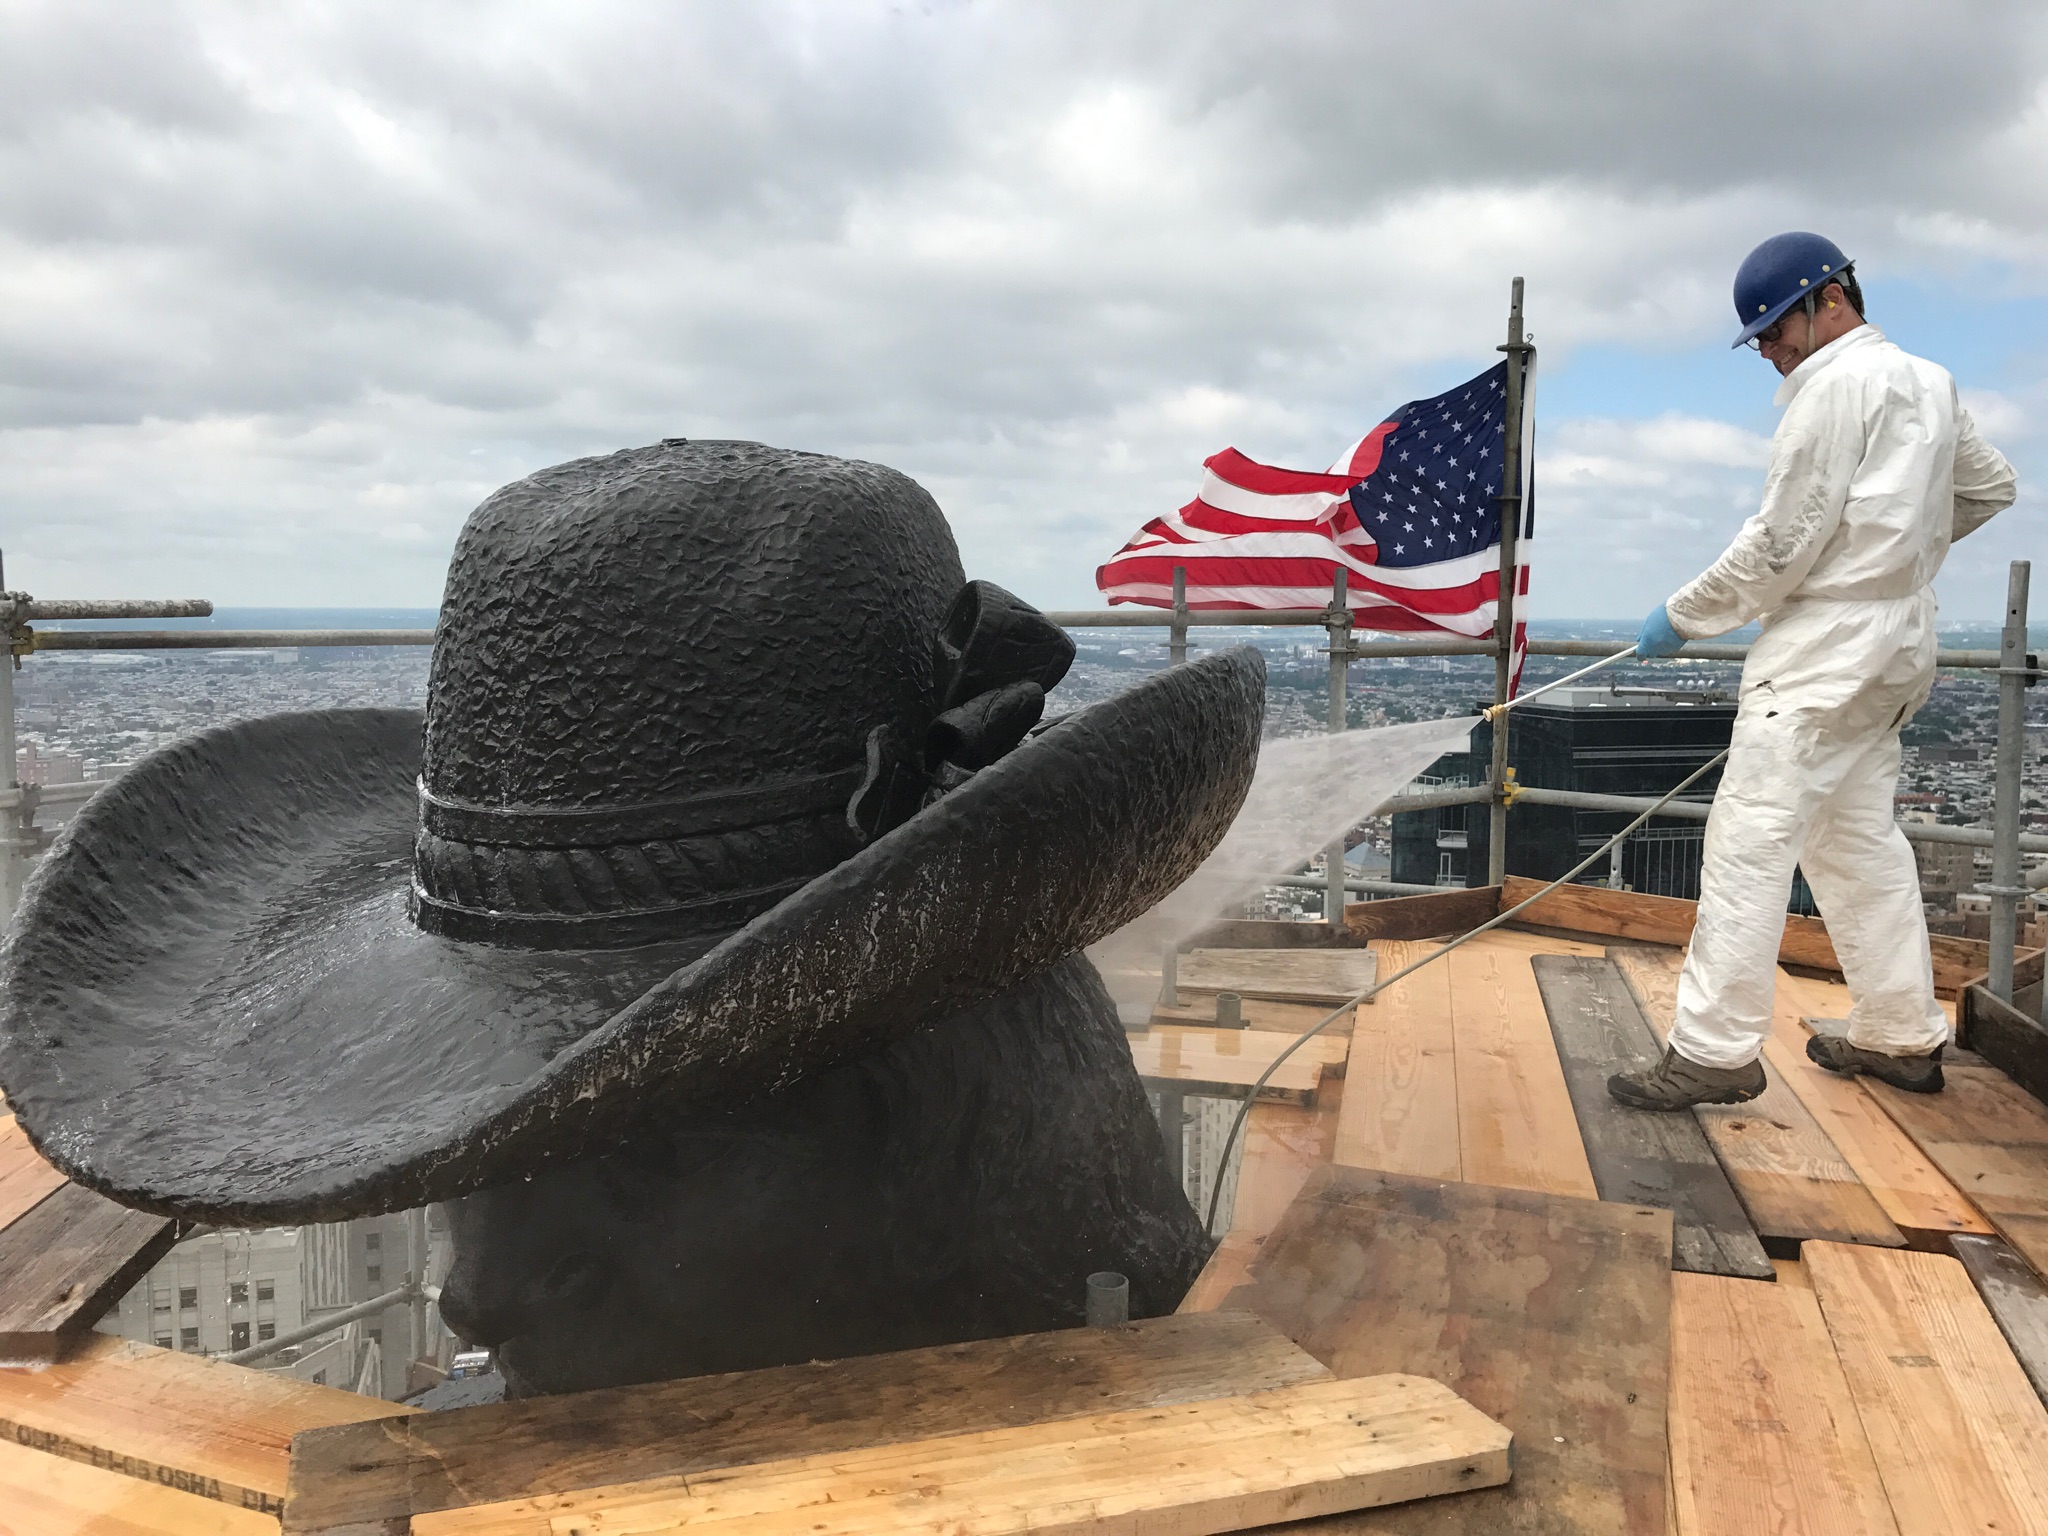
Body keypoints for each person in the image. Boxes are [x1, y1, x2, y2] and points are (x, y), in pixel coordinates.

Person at [1608, 232, 2016, 1111]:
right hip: (1901, 640)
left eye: (1771, 329)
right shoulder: (1930, 381)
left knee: (1749, 842)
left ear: (1830, 297)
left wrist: (1682, 617)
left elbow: (1779, 544)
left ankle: (1713, 1052)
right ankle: (1902, 1035)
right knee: (1856, 842)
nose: (1766, 350)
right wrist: (1902, 548)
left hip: (1825, 649)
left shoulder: (1830, 390)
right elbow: (1989, 489)